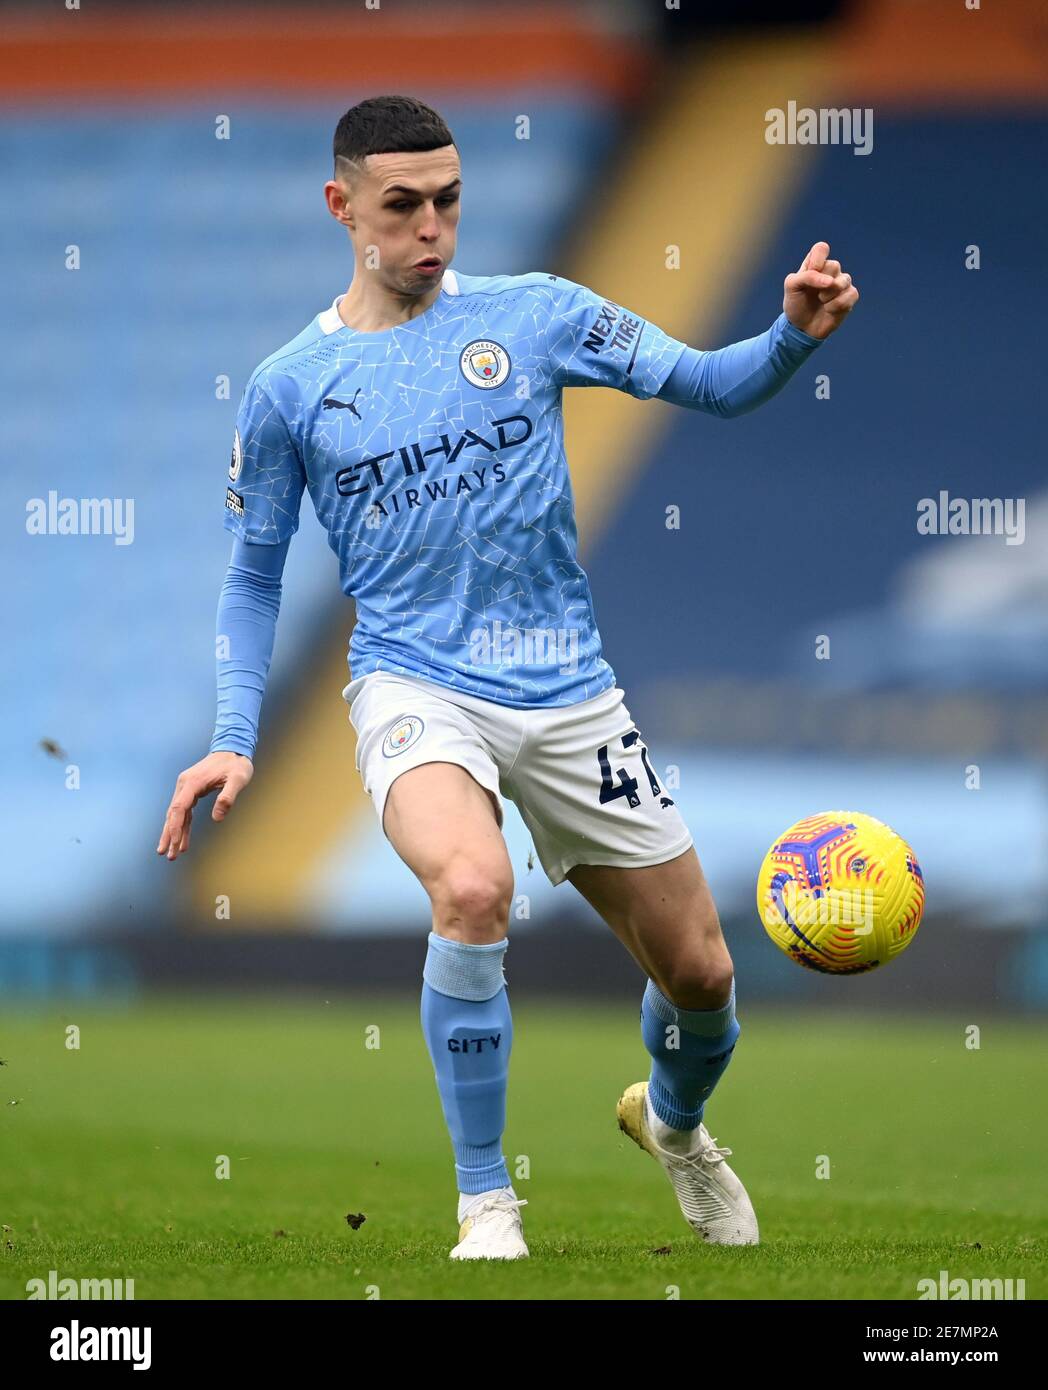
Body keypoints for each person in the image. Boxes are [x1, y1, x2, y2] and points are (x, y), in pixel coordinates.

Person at [157, 94, 858, 1260]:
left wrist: (788, 336)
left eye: (448, 200)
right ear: (342, 208)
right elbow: (253, 577)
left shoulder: (535, 314)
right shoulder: (289, 387)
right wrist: (235, 733)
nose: (431, 226)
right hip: (413, 685)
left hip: (569, 689)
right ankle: (487, 1200)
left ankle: (673, 1124)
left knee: (701, 974)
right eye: (402, 205)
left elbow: (711, 383)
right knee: (473, 888)